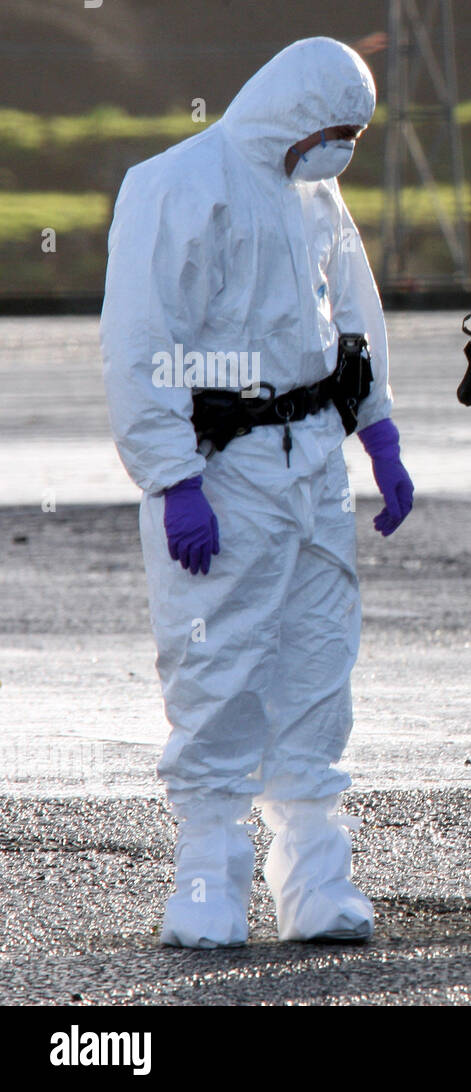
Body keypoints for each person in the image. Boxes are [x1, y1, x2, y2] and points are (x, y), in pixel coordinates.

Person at [101, 37, 414, 948]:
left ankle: (316, 877)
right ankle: (207, 870)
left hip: (313, 458)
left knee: (320, 658)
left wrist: (379, 431)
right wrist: (171, 478)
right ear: (289, 111)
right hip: (223, 465)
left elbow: (351, 309)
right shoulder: (175, 185)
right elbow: (140, 343)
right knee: (217, 659)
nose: (341, 149)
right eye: (332, 130)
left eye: (353, 134)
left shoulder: (314, 189)